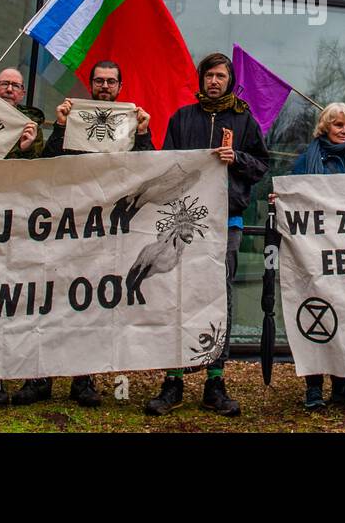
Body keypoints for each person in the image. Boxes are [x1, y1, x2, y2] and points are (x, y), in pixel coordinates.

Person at [7, 60, 152, 409]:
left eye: (110, 82)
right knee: (51, 299)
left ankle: (82, 379)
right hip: (66, 224)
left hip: (104, 228)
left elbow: (147, 169)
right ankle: (39, 377)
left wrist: (144, 133)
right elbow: (50, 165)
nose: (104, 86)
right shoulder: (71, 117)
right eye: (99, 81)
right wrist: (59, 127)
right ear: (89, 84)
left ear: (120, 86)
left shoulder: (132, 123)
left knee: (90, 302)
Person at [143, 53, 270, 418]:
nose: (214, 81)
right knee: (177, 291)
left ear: (229, 81)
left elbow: (261, 166)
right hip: (182, 223)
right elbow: (166, 165)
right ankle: (173, 379)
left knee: (220, 297)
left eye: (220, 76)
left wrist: (238, 160)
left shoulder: (245, 120)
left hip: (226, 222)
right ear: (200, 80)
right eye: (208, 76)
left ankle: (215, 380)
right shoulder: (183, 118)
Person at [287, 102, 345, 409]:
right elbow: (293, 197)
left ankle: (341, 385)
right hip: (314, 254)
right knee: (316, 313)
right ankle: (313, 387)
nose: (344, 131)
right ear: (325, 127)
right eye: (338, 125)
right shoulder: (305, 162)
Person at [0, 67, 43, 160]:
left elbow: (33, 170)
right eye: (4, 84)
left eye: (15, 86)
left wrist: (26, 149)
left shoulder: (31, 127)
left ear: (22, 94)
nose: (9, 89)